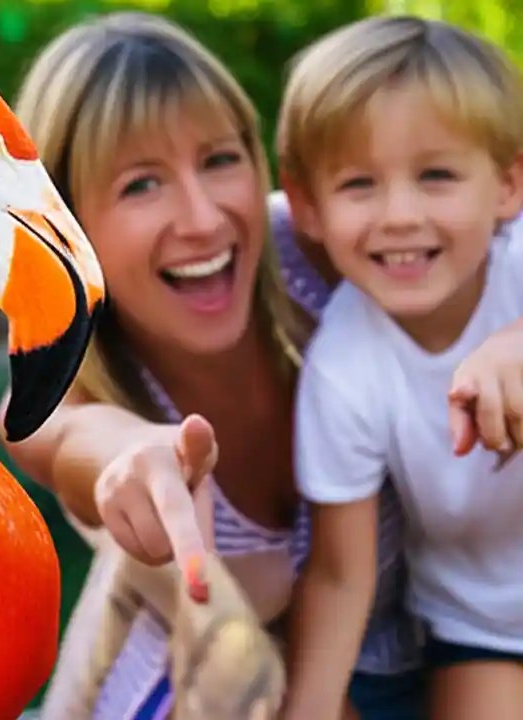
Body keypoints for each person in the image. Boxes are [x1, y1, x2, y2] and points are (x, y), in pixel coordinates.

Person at [0, 12, 429, 719]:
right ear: (65, 223)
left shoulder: (321, 247)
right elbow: (69, 438)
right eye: (142, 185)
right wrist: (139, 453)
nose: (202, 218)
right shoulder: (55, 398)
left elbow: (484, 212)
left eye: (221, 159)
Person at [278, 16, 523, 719]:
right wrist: (309, 709)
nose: (400, 215)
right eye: (359, 184)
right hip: (483, 630)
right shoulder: (343, 369)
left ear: (507, 185)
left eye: (437, 175)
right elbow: (339, 576)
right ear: (308, 210)